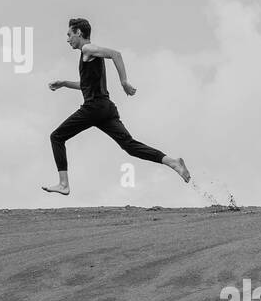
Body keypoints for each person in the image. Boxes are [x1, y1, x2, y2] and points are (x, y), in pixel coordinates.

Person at [43, 16, 190, 196]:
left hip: (94, 108)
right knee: (130, 146)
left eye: (69, 35)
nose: (67, 39)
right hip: (106, 109)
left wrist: (124, 82)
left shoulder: (87, 48)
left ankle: (63, 184)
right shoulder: (88, 54)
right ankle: (173, 163)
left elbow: (116, 54)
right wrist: (64, 83)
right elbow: (86, 84)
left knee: (56, 137)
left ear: (78, 33)